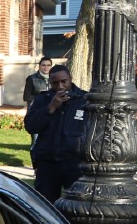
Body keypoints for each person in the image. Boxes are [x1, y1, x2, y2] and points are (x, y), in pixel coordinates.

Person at [25, 64, 90, 202]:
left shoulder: (85, 100)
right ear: (50, 82)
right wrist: (51, 107)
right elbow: (31, 126)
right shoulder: (42, 100)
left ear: (70, 79)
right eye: (55, 83)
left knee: (76, 206)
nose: (60, 86)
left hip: (74, 164)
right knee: (45, 205)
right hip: (47, 163)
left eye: (63, 82)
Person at [23, 57, 54, 142]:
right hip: (37, 109)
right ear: (39, 66)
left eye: (48, 65)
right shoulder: (32, 78)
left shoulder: (54, 79)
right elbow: (27, 96)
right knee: (36, 135)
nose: (46, 67)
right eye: (43, 65)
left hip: (51, 108)